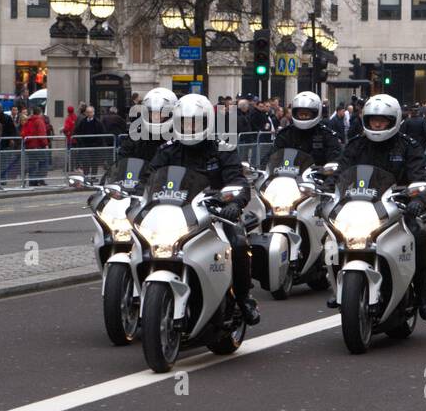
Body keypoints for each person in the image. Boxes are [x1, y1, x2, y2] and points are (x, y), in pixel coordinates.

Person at [147, 94, 259, 326]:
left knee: (238, 242)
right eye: (185, 122)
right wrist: (136, 195)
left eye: (195, 122)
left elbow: (238, 181)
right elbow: (149, 177)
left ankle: (243, 298)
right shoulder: (168, 150)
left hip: (215, 214)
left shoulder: (222, 149)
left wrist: (233, 203)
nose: (189, 127)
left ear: (207, 122)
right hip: (177, 213)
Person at [341, 94, 426, 320]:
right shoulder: (355, 145)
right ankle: (341, 289)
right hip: (360, 209)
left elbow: (420, 179)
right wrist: (326, 196)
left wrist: (417, 200)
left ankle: (423, 292)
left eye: (382, 121)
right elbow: (339, 175)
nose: (377, 125)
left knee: (419, 235)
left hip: (397, 211)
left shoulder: (407, 146)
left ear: (394, 120)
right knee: (333, 237)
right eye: (373, 120)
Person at [273, 92, 343, 166]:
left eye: (306, 114)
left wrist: (326, 170)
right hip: (289, 175)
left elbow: (336, 160)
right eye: (300, 114)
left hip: (318, 176)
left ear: (316, 113)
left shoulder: (327, 136)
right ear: (294, 113)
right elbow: (272, 156)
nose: (303, 117)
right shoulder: (285, 135)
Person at [119, 87, 175, 163]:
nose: (156, 117)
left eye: (161, 113)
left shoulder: (177, 137)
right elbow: (124, 157)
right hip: (142, 174)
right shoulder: (137, 135)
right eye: (152, 113)